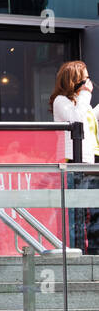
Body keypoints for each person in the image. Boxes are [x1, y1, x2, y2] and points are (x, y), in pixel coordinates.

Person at [51, 60, 98, 251]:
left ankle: (88, 249)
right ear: (75, 79)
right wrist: (86, 94)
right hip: (73, 162)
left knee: (89, 211)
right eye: (85, 78)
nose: (88, 82)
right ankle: (79, 251)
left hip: (89, 162)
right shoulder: (61, 101)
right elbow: (77, 120)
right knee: (76, 212)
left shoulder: (81, 103)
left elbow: (90, 119)